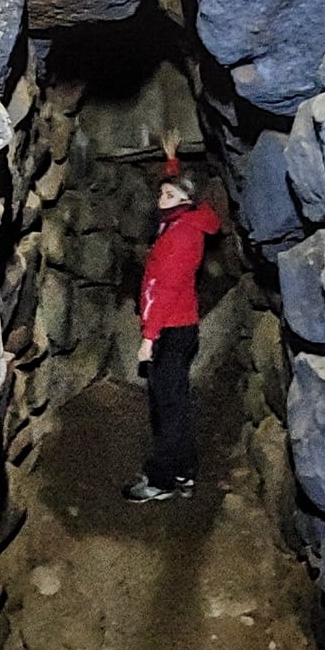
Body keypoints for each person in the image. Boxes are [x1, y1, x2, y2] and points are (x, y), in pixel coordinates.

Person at [124, 140, 222, 503]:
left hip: (170, 328)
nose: (159, 198)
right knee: (174, 403)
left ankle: (161, 480)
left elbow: (164, 287)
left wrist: (149, 337)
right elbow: (185, 194)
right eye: (161, 193)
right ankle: (183, 471)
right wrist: (171, 163)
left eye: (167, 194)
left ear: (183, 201)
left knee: (167, 406)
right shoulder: (184, 221)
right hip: (178, 324)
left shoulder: (180, 235)